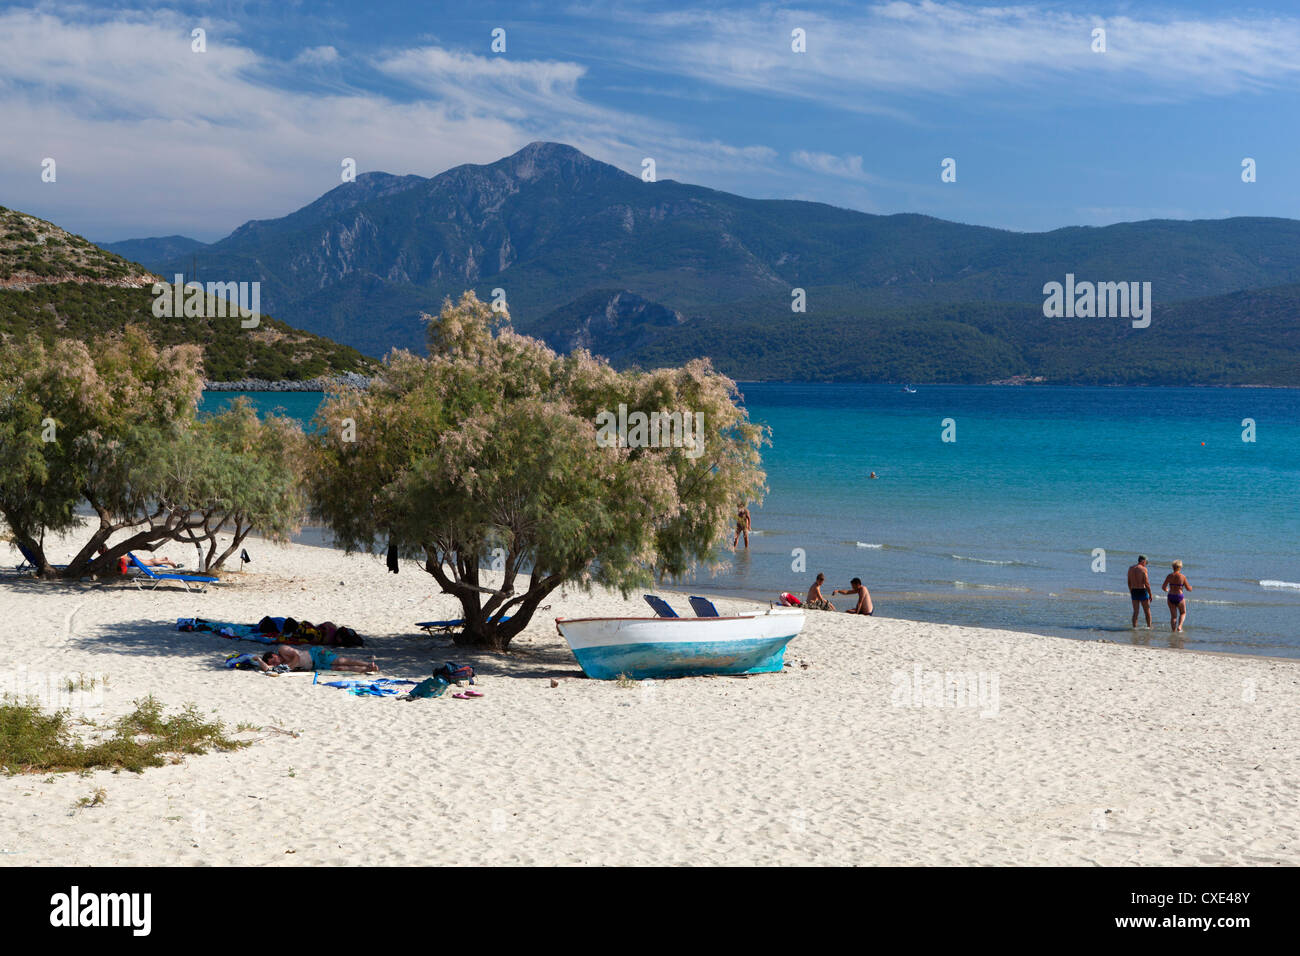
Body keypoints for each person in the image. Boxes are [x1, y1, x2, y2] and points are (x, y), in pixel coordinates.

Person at [254, 644, 378, 674]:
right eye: (273, 663)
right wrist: (259, 660)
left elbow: (296, 657)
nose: (276, 663)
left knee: (341, 661)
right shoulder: (281, 666)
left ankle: (367, 663)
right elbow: (267, 669)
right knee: (340, 668)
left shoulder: (282, 650)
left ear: (274, 655)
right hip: (314, 666)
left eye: (274, 660)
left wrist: (288, 668)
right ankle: (367, 669)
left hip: (316, 654)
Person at [1161, 560, 1192, 633]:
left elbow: (1163, 587)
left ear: (1173, 567)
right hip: (1179, 596)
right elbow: (1188, 588)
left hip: (1171, 596)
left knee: (1173, 616)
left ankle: (1173, 631)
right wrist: (1191, 588)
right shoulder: (1182, 577)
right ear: (1180, 567)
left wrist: (1166, 589)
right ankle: (1180, 626)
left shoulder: (1169, 576)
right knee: (1183, 613)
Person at [1127, 555, 1153, 628]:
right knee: (1147, 611)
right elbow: (1146, 583)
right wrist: (1150, 594)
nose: (1146, 564)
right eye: (1146, 562)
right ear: (1143, 561)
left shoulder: (1131, 568)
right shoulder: (1143, 569)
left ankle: (1134, 627)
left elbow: (1129, 582)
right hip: (1142, 591)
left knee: (1136, 612)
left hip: (1134, 591)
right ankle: (1149, 627)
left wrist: (1131, 591)